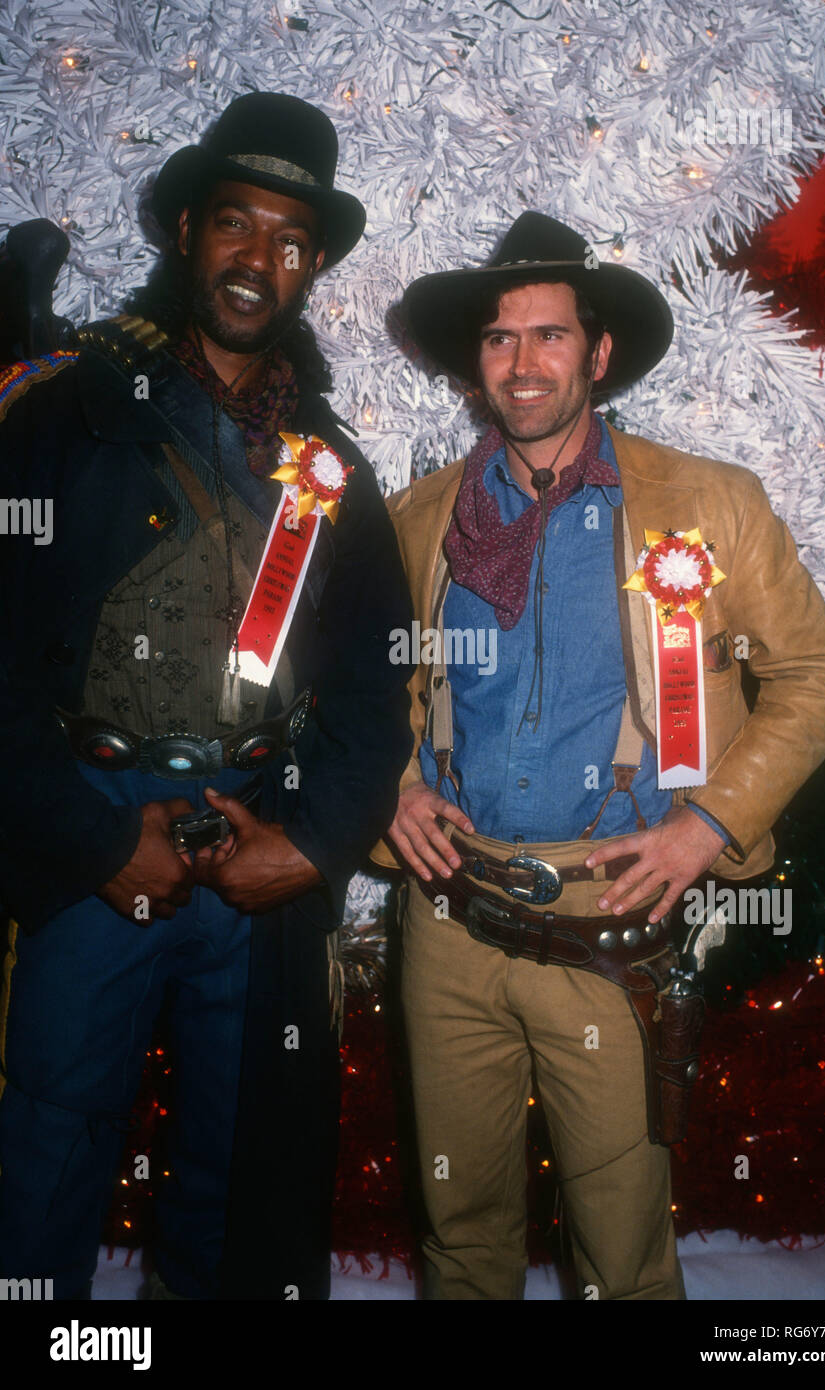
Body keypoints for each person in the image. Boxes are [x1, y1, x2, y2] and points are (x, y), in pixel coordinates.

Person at [372, 211, 825, 1300]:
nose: (524, 363)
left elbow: (822, 676)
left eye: (550, 337)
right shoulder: (415, 521)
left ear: (596, 354)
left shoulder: (708, 505)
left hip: (609, 922)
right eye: (501, 339)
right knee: (461, 1235)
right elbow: (368, 696)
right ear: (476, 361)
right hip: (448, 924)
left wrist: (708, 821)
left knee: (623, 1258)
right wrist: (393, 789)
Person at [0, 92, 413, 1301]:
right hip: (94, 832)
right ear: (186, 231)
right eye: (236, 223)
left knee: (247, 1167)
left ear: (314, 265)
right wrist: (90, 836)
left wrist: (316, 839)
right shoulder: (61, 419)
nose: (258, 260)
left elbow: (378, 677)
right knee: (47, 1148)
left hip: (260, 835)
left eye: (290, 241)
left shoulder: (333, 467)